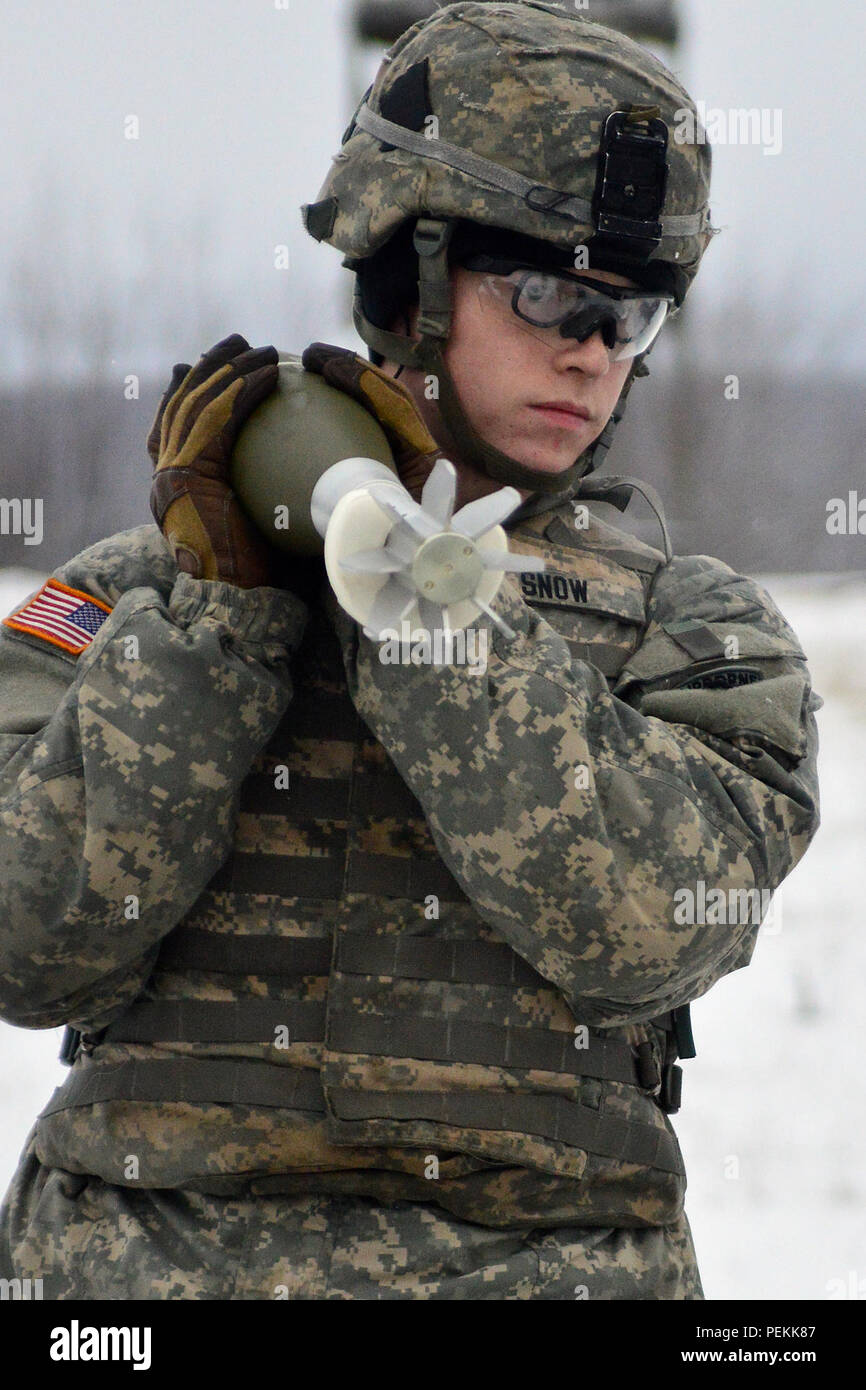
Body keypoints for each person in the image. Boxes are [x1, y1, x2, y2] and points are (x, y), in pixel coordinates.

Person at [0, 2, 820, 1300]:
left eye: (635, 317)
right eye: (549, 292)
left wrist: (426, 603)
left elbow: (641, 926)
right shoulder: (127, 601)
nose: (592, 352)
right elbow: (25, 942)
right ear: (411, 276)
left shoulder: (701, 633)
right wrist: (218, 629)